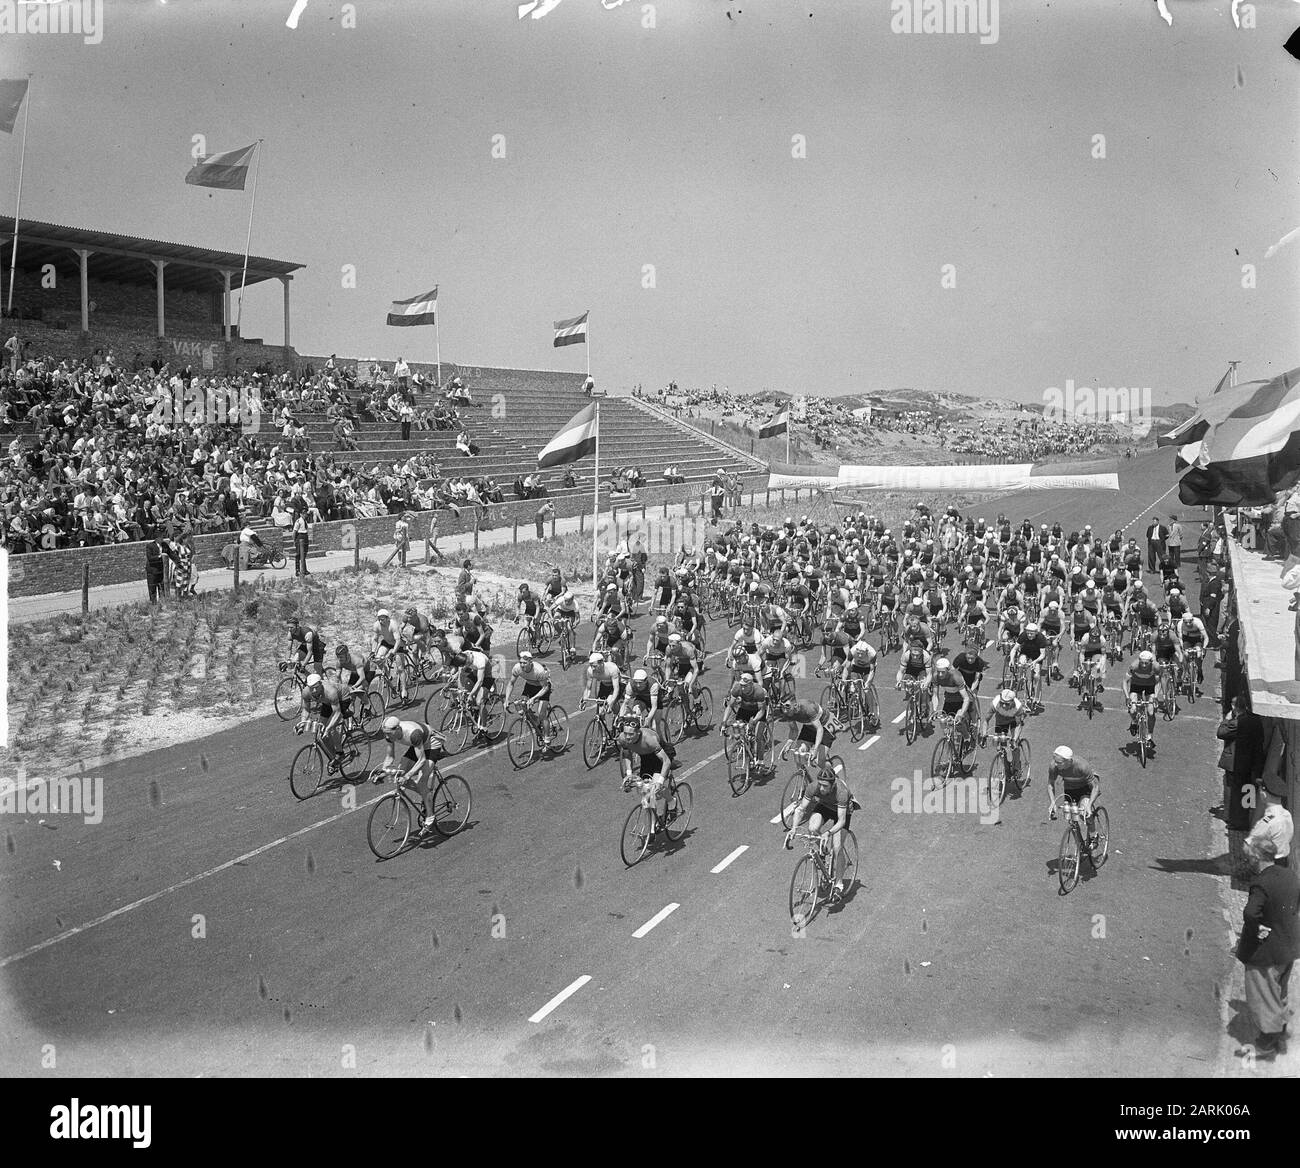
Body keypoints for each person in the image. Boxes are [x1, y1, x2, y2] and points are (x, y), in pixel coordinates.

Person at [1235, 833, 1300, 1061]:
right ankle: (1281, 1033)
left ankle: (1266, 1043)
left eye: (1250, 857)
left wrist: (1258, 928)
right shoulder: (1290, 875)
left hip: (1267, 952)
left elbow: (1250, 913)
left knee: (1263, 995)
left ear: (1256, 857)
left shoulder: (1261, 883)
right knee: (1279, 992)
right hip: (1289, 948)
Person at [145, 532, 180, 604]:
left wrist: (179, 562)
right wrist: (159, 556)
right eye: (161, 538)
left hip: (161, 569)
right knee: (152, 587)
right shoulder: (150, 546)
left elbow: (171, 554)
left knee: (162, 586)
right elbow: (150, 557)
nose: (162, 539)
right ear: (157, 539)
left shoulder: (164, 545)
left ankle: (162, 602)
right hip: (152, 569)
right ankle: (153, 603)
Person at [292, 508, 310, 577]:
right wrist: (294, 540)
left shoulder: (305, 521)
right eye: (304, 513)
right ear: (301, 514)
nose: (305, 515)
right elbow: (294, 532)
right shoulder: (298, 521)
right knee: (299, 554)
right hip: (300, 537)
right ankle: (297, 570)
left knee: (304, 553)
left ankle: (304, 569)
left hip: (305, 537)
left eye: (306, 513)